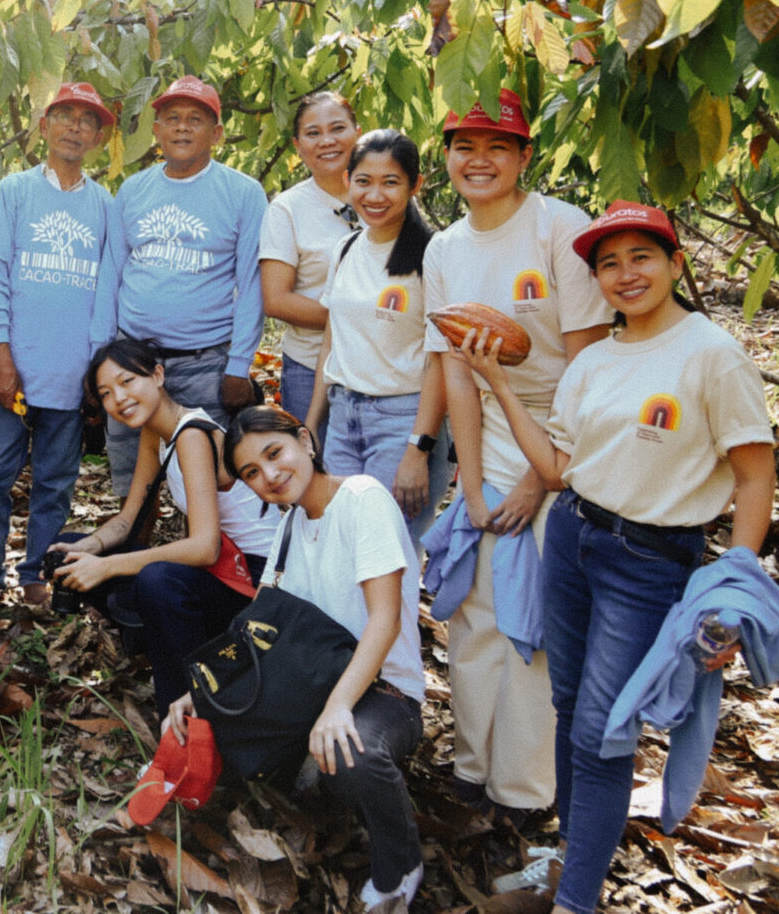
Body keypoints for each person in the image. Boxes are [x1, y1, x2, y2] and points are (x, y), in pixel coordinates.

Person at [447, 201, 775, 913]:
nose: (625, 274)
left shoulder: (712, 352)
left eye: (641, 257)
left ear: (675, 263)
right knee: (571, 710)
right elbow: (559, 467)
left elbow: (754, 475)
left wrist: (735, 588)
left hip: (651, 559)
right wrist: (496, 383)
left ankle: (576, 901)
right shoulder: (593, 359)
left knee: (603, 731)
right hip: (573, 535)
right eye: (608, 263)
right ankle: (562, 864)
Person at [422, 89, 610, 824]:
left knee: (533, 620)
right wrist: (470, 486)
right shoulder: (444, 248)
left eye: (497, 146)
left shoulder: (560, 228)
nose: (479, 160)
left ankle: (524, 791)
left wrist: (541, 478)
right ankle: (471, 767)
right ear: (446, 158)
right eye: (464, 145)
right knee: (474, 611)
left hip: (567, 443)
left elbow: (593, 369)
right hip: (492, 440)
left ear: (525, 156)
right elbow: (455, 375)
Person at [174, 405, 426, 911]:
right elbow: (254, 627)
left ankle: (401, 865)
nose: (269, 475)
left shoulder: (362, 499)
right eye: (251, 472)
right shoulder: (290, 526)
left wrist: (337, 707)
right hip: (312, 682)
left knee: (352, 750)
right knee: (215, 714)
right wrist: (199, 692)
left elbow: (386, 619)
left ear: (306, 441)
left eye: (274, 453)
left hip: (384, 692)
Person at [48, 339, 279, 713]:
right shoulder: (155, 432)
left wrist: (105, 566)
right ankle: (158, 637)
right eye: (106, 393)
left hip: (256, 582)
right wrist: (89, 547)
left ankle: (189, 704)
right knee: (70, 548)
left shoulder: (191, 434)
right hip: (224, 571)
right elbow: (128, 520)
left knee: (157, 580)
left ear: (157, 375)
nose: (118, 398)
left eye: (127, 382)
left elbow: (204, 547)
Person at [0, 83, 116, 603]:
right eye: (65, 116)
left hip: (71, 374)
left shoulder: (104, 205)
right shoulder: (14, 191)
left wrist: (96, 375)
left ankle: (35, 577)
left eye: (87, 121)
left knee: (55, 484)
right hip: (11, 373)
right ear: (45, 126)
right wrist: (1, 358)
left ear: (98, 136)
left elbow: (105, 294)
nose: (75, 127)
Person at [97, 74, 266, 498]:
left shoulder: (243, 193)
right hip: (132, 362)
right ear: (156, 130)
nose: (183, 127)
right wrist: (100, 361)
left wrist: (238, 365)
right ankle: (133, 561)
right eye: (172, 118)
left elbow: (251, 283)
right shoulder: (133, 191)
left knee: (208, 483)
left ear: (217, 133)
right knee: (135, 484)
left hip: (203, 364)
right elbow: (111, 275)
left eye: (196, 119)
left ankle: (205, 561)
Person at [306, 129, 453, 539]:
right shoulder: (346, 249)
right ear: (346, 181)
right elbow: (332, 344)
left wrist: (417, 449)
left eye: (390, 182)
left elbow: (441, 359)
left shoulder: (435, 255)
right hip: (343, 417)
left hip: (402, 419)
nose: (375, 195)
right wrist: (312, 425)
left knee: (390, 550)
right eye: (364, 181)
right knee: (343, 542)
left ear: (415, 185)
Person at [259, 91, 360, 434]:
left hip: (384, 365)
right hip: (309, 364)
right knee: (312, 466)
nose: (327, 141)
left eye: (337, 129)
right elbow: (276, 299)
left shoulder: (387, 193)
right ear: (297, 146)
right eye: (313, 133)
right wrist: (365, 320)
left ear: (357, 132)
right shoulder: (287, 209)